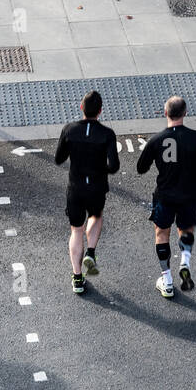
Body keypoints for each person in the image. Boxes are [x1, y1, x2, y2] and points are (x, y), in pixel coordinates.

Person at [135, 96, 196, 298]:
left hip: (164, 196)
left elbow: (140, 168)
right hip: (189, 195)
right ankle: (185, 261)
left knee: (162, 233)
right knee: (186, 229)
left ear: (165, 113)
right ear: (185, 113)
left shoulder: (156, 140)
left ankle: (167, 280)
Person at [54, 90, 119, 295]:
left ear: (81, 107)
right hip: (97, 187)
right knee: (96, 215)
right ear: (100, 111)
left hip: (76, 187)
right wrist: (101, 169)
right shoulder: (107, 134)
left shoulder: (69, 130)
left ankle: (77, 277)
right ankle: (91, 251)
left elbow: (58, 158)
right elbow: (114, 165)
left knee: (76, 230)